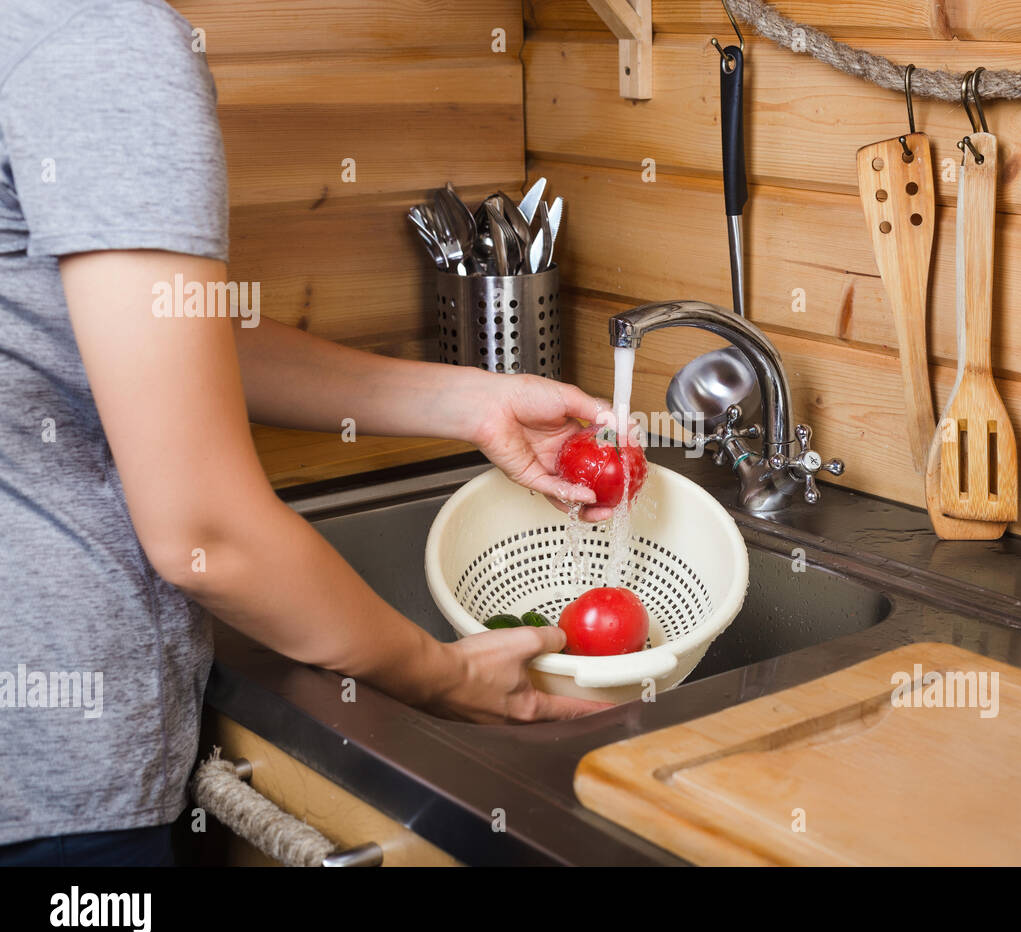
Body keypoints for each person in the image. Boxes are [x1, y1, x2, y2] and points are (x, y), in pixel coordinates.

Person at [0, 0, 609, 866]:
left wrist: (467, 402)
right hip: (50, 785)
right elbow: (205, 535)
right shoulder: (101, 36)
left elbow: (147, 331)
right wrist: (446, 676)